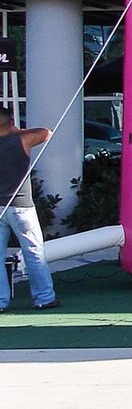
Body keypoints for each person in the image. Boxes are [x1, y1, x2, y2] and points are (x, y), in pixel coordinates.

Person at [0, 106, 58, 312]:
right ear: (11, 121)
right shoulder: (21, 139)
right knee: (33, 252)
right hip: (21, 207)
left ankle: (1, 300)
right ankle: (44, 297)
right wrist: (16, 131)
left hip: (1, 208)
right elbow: (46, 132)